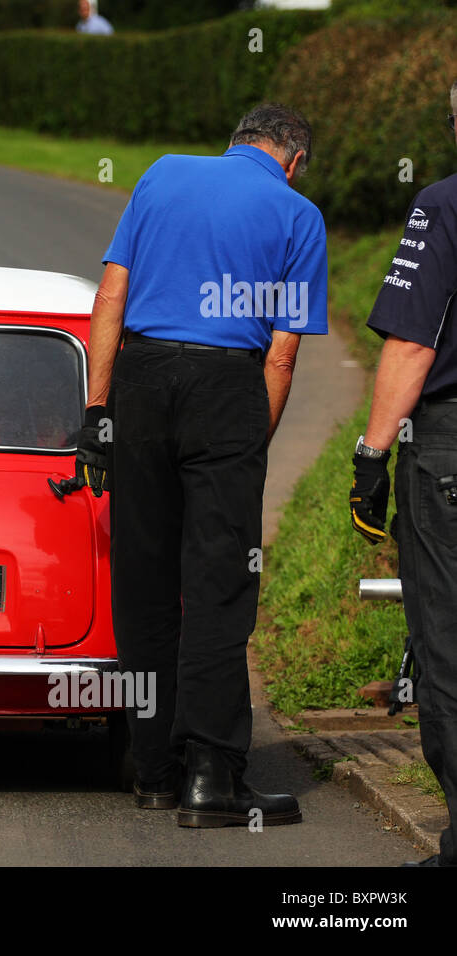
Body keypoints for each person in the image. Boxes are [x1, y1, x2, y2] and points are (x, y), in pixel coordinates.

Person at [78, 103, 328, 826]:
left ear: (235, 144)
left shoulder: (160, 176)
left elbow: (112, 296)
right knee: (218, 585)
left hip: (142, 379)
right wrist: (252, 440)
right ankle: (212, 779)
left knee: (145, 581)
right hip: (228, 386)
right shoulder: (297, 213)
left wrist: (98, 411)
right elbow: (282, 353)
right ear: (292, 159)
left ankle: (153, 769)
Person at [349, 81, 457, 867]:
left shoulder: (442, 206)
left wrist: (372, 454)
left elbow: (412, 344)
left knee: (447, 641)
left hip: (450, 448)